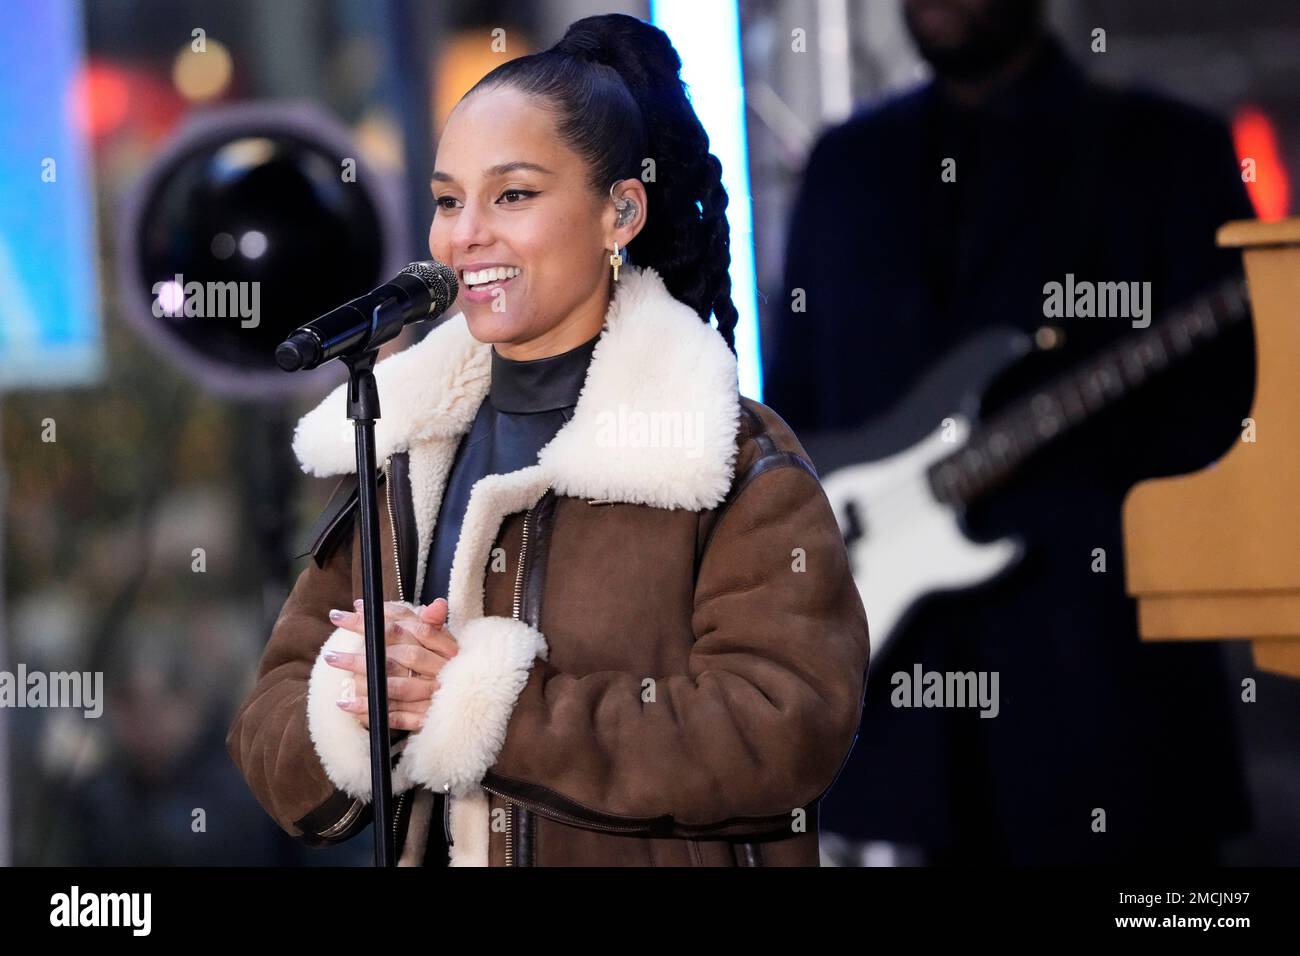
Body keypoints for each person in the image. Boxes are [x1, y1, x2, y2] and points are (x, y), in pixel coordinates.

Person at [226, 13, 870, 867]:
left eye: (514, 195)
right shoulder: (404, 445)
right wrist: (364, 695)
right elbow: (267, 722)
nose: (466, 234)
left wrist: (489, 706)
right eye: (448, 200)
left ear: (620, 212)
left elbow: (785, 728)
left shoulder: (727, 452)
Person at [764, 0, 1255, 864]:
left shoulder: (1165, 150)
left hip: (1108, 710)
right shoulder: (844, 166)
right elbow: (795, 408)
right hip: (899, 737)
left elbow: (1233, 409)